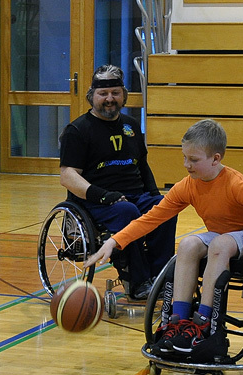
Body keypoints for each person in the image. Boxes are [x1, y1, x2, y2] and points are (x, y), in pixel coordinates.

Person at [85, 119, 243, 353]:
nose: (186, 165)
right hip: (223, 238)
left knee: (220, 244)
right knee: (189, 243)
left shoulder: (236, 184)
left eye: (193, 160)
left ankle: (203, 324)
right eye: (184, 158)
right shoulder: (188, 186)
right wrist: (114, 241)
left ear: (216, 159)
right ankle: (178, 322)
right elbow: (151, 218)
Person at [59, 64, 177, 301]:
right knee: (127, 211)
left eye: (115, 93)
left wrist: (156, 197)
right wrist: (103, 195)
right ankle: (137, 280)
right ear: (92, 96)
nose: (109, 99)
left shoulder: (131, 125)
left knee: (165, 207)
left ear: (124, 95)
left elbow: (142, 165)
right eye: (103, 94)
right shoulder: (78, 130)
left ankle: (161, 277)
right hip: (95, 201)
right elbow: (68, 175)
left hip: (133, 195)